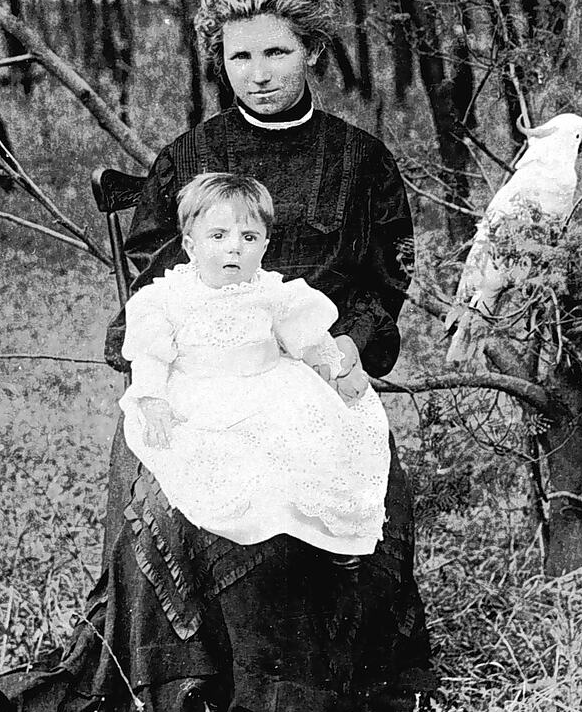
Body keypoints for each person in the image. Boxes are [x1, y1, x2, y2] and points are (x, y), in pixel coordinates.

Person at [0, 0, 434, 712]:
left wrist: (348, 349)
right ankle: (185, 692)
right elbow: (154, 286)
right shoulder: (192, 155)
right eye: (240, 56)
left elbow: (379, 285)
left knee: (331, 480)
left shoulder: (360, 161)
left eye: (277, 52)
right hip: (202, 374)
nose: (259, 74)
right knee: (158, 494)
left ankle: (295, 697)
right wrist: (166, 369)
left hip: (312, 370)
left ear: (313, 53)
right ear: (219, 60)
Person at [119, 170, 391, 557]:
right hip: (199, 395)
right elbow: (149, 356)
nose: (235, 249)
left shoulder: (270, 292)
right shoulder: (167, 299)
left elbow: (309, 338)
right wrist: (151, 398)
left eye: (248, 238)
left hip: (270, 388)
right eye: (219, 236)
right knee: (220, 462)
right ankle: (246, 540)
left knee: (308, 450)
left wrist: (332, 367)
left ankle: (310, 537)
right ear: (190, 246)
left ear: (264, 246)